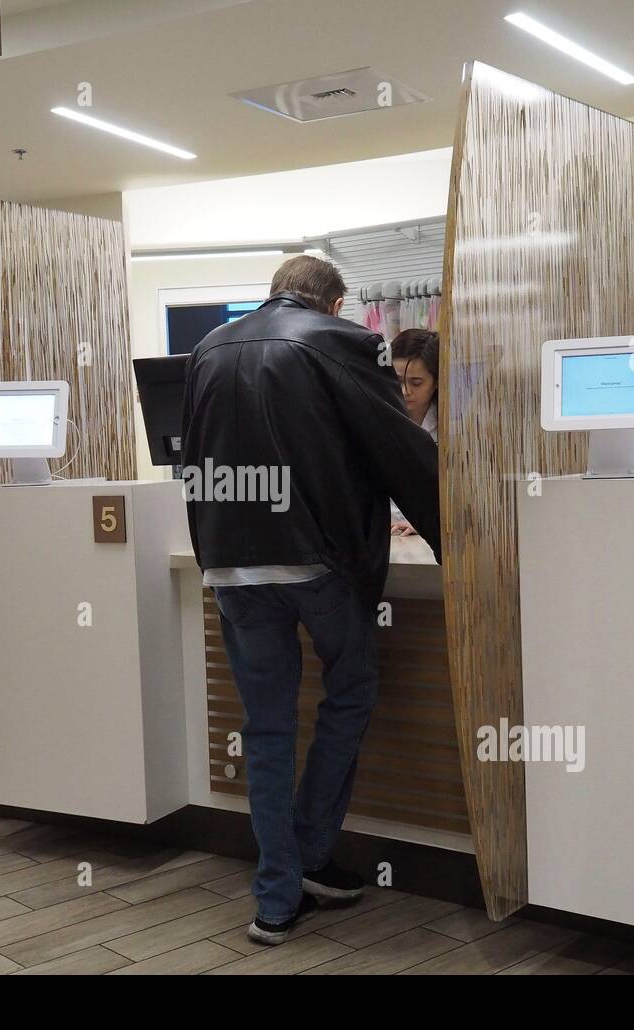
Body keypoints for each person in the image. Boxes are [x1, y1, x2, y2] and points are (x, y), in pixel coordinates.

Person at [181, 255, 441, 945]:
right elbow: (398, 447)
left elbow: (189, 457)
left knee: (265, 730)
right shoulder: (338, 341)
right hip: (317, 560)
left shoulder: (207, 348)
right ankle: (307, 853)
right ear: (334, 303)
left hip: (231, 566)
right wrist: (455, 533)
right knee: (349, 693)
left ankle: (278, 895)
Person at [388, 328, 439, 537]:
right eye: (398, 381)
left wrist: (423, 522)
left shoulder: (456, 428)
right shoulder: (376, 418)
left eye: (416, 383)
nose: (405, 391)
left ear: (436, 382)